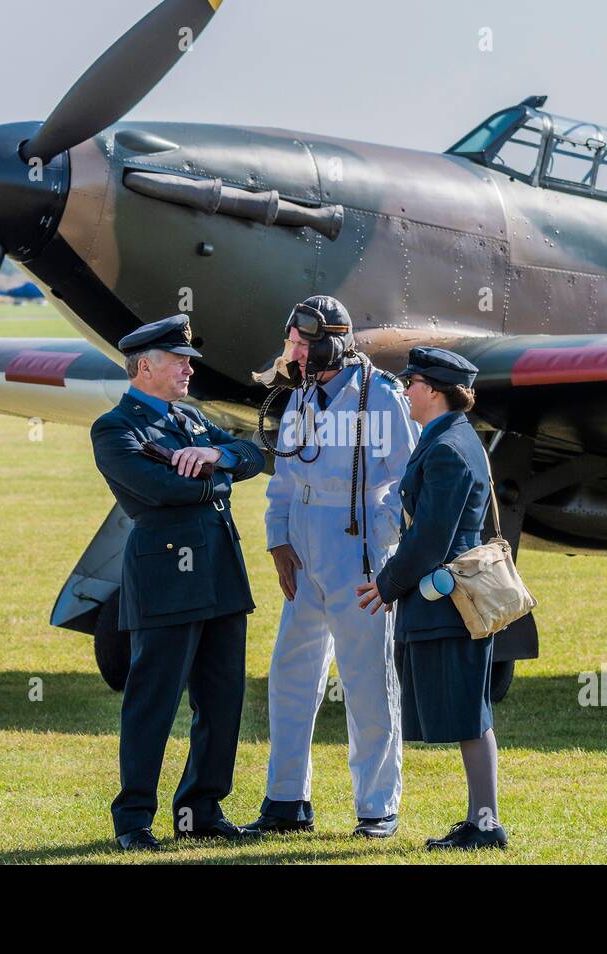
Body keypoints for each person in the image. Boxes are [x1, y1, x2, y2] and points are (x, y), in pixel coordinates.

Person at [241, 296, 417, 838]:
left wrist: (379, 537)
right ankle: (287, 801)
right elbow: (286, 477)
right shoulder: (299, 398)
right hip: (305, 547)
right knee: (291, 676)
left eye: (301, 343)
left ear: (331, 344)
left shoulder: (380, 397)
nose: (291, 352)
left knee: (367, 680)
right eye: (291, 341)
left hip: (358, 551)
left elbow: (411, 480)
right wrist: (278, 541)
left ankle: (377, 806)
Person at [90, 314, 266, 851]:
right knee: (153, 701)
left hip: (219, 575)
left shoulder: (189, 422)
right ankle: (133, 820)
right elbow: (163, 490)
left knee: (221, 699)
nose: (190, 369)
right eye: (179, 360)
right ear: (146, 366)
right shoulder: (116, 429)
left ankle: (201, 809)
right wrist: (220, 476)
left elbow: (256, 455)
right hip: (167, 578)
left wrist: (216, 455)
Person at [355, 346, 508, 851]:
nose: (405, 389)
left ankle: (485, 824)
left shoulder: (446, 447)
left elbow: (432, 538)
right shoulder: (447, 438)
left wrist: (387, 583)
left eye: (412, 382)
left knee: (469, 710)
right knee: (469, 708)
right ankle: (480, 819)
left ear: (435, 392)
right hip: (446, 596)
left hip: (449, 600)